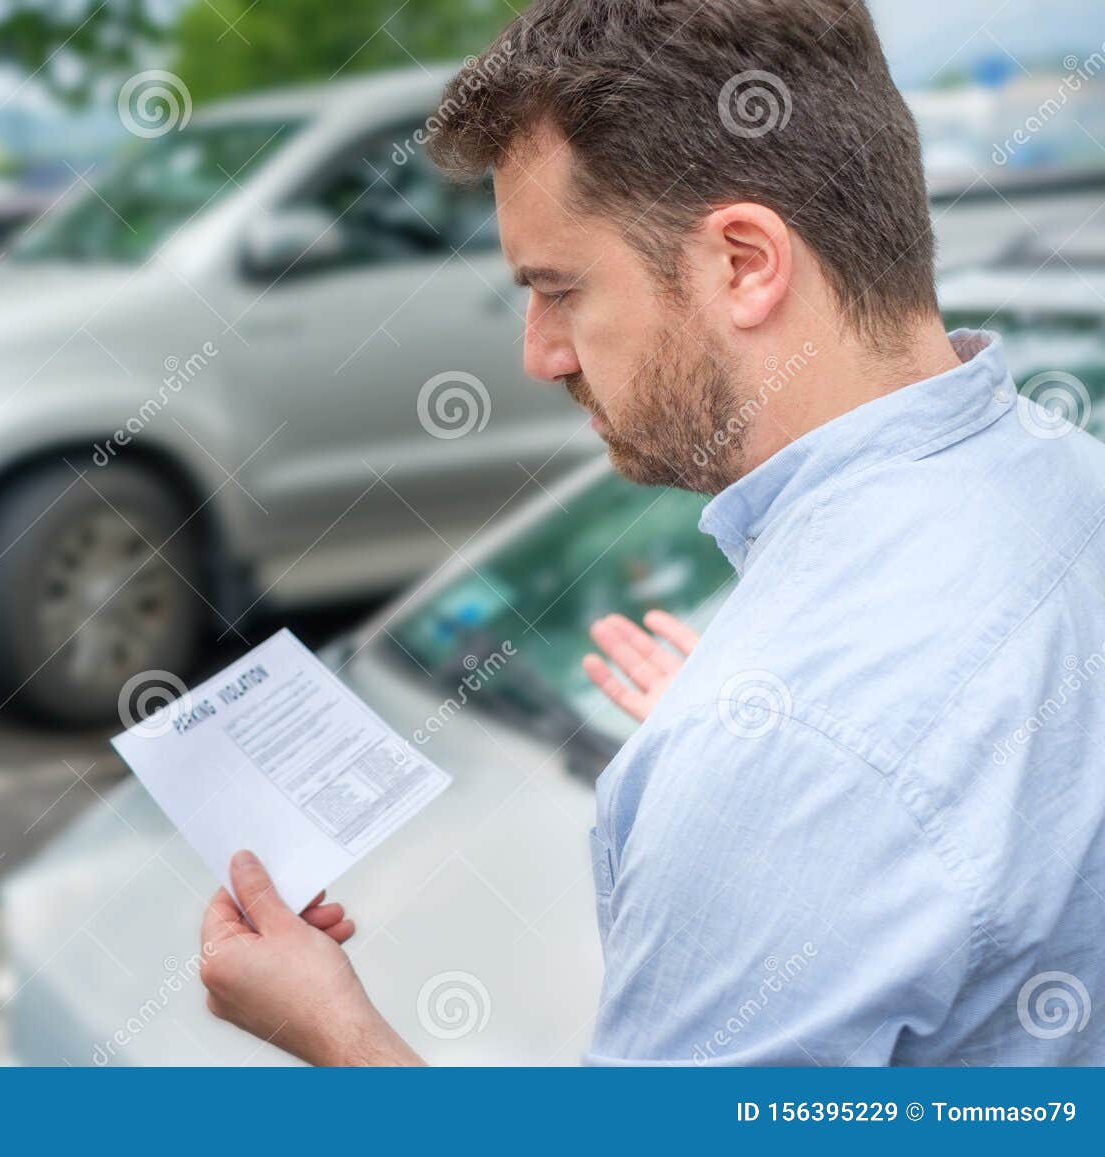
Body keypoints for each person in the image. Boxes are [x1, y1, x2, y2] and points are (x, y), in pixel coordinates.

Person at [197, 0, 1105, 1065]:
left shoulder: (781, 749)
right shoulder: (1066, 474)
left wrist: (336, 1032)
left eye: (557, 288)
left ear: (742, 263)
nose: (539, 353)